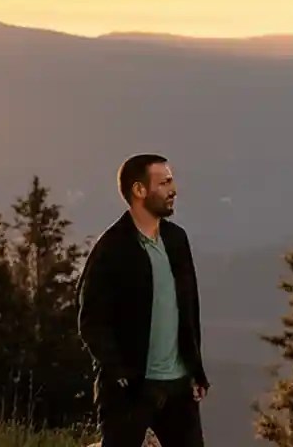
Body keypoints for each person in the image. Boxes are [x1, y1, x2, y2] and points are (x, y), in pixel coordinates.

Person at [77, 153, 209, 447]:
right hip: (130, 392)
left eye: (171, 181)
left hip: (179, 389)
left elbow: (188, 310)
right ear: (139, 191)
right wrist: (119, 373)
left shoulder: (177, 240)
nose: (173, 190)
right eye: (164, 183)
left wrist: (195, 370)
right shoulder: (111, 249)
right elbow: (91, 321)